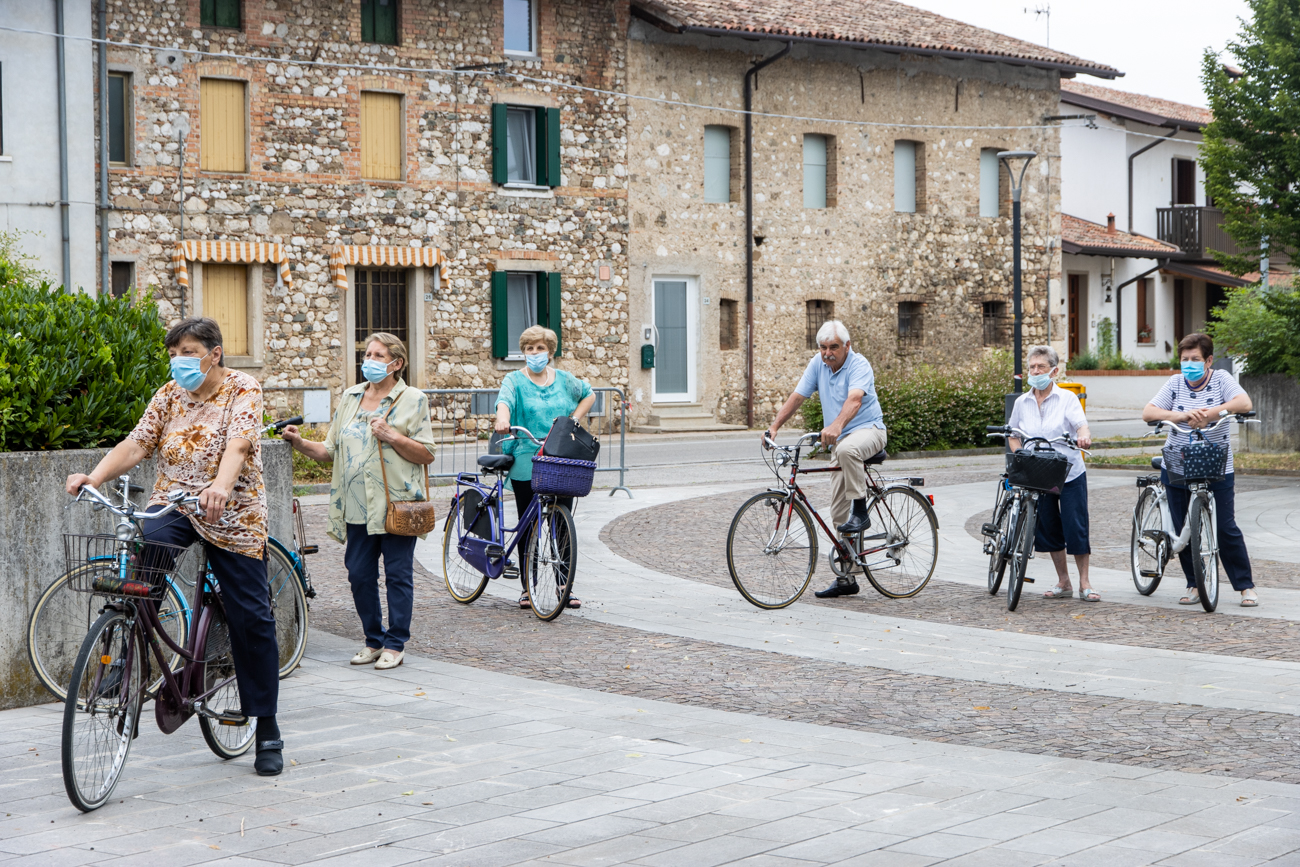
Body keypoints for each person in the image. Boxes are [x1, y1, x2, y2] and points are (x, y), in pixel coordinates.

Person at [64, 317, 285, 776]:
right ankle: (126, 660)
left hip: (234, 512)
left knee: (251, 616)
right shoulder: (169, 395)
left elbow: (240, 446)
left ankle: (267, 725)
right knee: (142, 575)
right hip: (175, 503)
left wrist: (221, 486)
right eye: (174, 353)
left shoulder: (243, 389)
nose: (179, 361)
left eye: (188, 352)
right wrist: (94, 475)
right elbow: (136, 444)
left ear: (214, 353)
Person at [282, 333, 436, 669]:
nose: (370, 359)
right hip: (356, 507)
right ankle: (373, 639)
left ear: (396, 363)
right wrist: (299, 443)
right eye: (368, 353)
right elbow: (330, 451)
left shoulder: (413, 399)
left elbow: (427, 454)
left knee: (398, 574)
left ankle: (396, 643)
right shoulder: (351, 398)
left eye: (378, 355)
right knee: (359, 574)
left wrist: (391, 435)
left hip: (396, 504)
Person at [764, 319, 888, 599]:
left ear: (847, 346)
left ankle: (862, 510)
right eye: (822, 348)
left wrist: (836, 425)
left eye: (833, 347)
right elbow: (798, 396)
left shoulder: (859, 365)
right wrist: (774, 427)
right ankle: (847, 579)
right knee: (837, 514)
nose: (827, 353)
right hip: (842, 440)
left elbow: (854, 400)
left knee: (846, 451)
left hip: (869, 432)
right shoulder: (817, 364)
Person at [1142, 333, 1257, 607]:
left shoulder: (1221, 380)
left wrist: (1210, 413)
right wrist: (1179, 415)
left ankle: (1245, 587)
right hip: (1177, 463)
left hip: (1216, 465)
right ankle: (1194, 583)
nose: (1189, 364)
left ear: (1208, 360)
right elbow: (1149, 412)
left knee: (1226, 527)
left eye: (1195, 359)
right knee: (1186, 528)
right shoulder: (1175, 382)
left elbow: (1244, 403)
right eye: (1185, 360)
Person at [493, 325, 595, 610]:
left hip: (561, 456)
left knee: (562, 525)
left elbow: (589, 394)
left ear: (550, 352)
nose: (534, 353)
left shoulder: (564, 380)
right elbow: (504, 401)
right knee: (529, 525)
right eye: (529, 349)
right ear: (523, 352)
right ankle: (528, 588)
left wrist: (572, 420)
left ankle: (565, 586)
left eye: (540, 348)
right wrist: (502, 418)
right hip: (528, 455)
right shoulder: (514, 379)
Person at [1007, 346, 1096, 601]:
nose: (1035, 371)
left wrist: (1084, 436)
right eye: (1032, 367)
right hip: (1038, 474)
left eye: (1041, 367)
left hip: (1068, 472)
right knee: (1047, 527)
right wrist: (1020, 453)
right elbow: (1013, 435)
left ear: (1054, 371)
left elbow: (1081, 424)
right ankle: (1063, 581)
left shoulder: (1067, 398)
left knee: (1075, 526)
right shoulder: (1022, 402)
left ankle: (1085, 582)